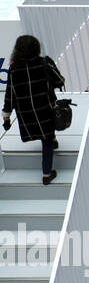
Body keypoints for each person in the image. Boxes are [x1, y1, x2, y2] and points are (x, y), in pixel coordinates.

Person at [2, 35, 65, 185]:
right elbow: (60, 81)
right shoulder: (44, 63)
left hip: (27, 115)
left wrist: (6, 116)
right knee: (47, 141)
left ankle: (53, 141)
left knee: (45, 135)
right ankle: (46, 174)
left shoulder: (13, 69)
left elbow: (9, 95)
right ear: (36, 48)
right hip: (45, 111)